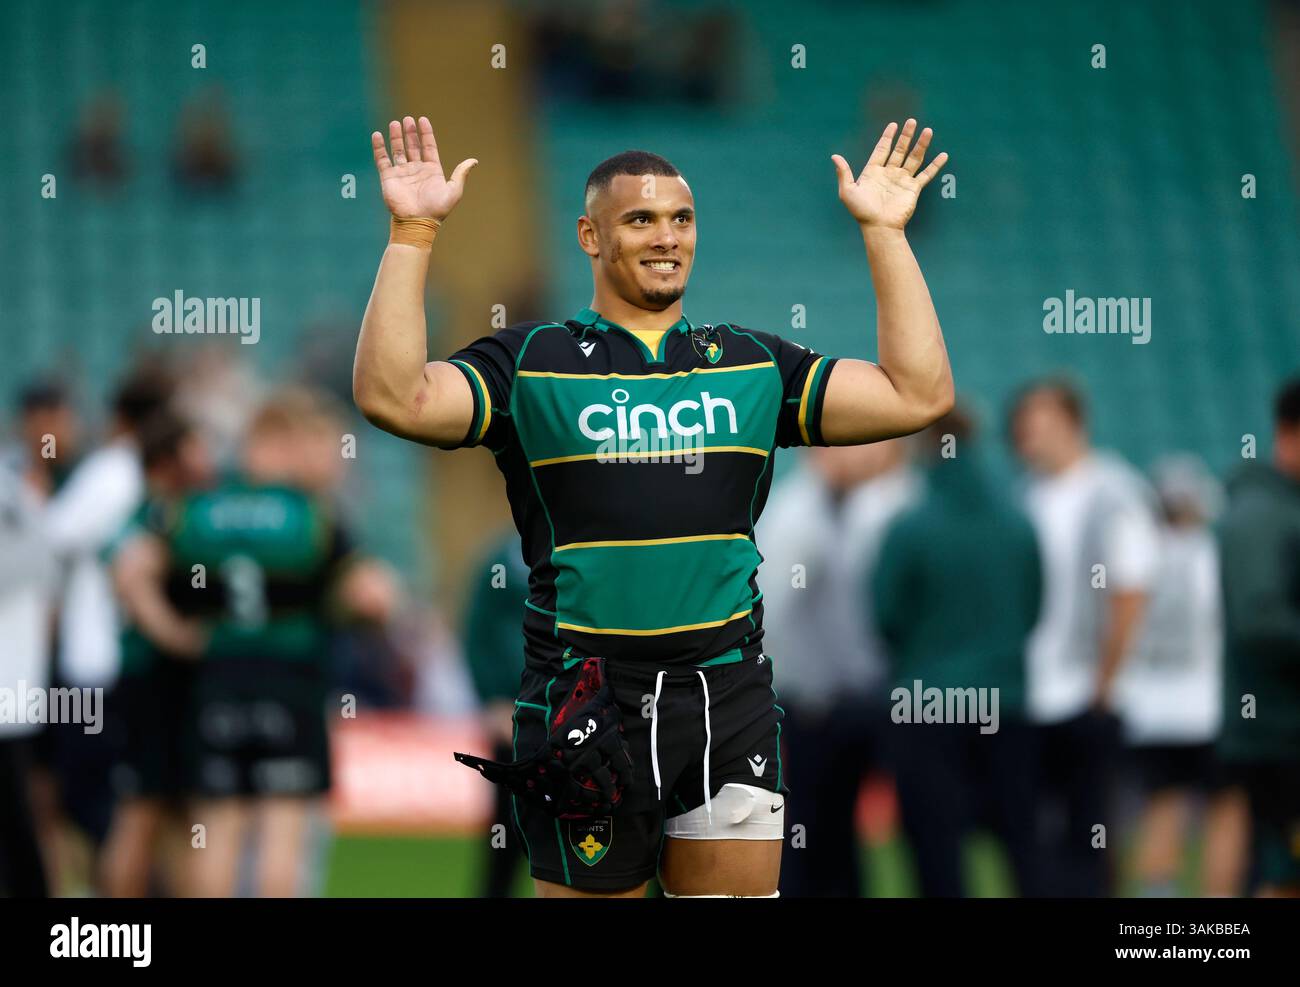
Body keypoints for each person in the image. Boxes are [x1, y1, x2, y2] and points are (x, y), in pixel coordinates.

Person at [353, 114, 954, 897]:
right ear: (590, 235)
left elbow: (918, 392)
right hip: (582, 697)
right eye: (640, 219)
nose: (666, 236)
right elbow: (392, 395)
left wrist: (885, 233)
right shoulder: (535, 361)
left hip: (726, 695)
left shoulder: (752, 363)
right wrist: (412, 231)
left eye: (681, 218)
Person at [113, 395, 389, 897]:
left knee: (218, 832)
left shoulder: (196, 508)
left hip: (217, 681)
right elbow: (374, 596)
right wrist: (342, 607)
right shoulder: (312, 515)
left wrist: (172, 631)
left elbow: (130, 569)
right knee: (281, 837)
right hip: (291, 682)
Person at [873, 406, 1045, 897]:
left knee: (936, 850)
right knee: (1021, 844)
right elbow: (1034, 610)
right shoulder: (1018, 521)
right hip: (1006, 700)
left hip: (927, 703)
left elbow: (886, 617)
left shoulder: (909, 526)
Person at [1008, 379, 1159, 897]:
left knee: (1091, 838)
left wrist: (1104, 680)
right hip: (1032, 692)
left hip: (1088, 693)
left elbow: (1130, 590)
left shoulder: (1114, 491)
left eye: (1040, 423)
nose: (1029, 437)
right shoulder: (1023, 495)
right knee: (1033, 839)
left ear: (1073, 423)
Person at [756, 441, 916, 896]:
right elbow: (773, 615)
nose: (869, 456)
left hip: (848, 702)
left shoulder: (848, 507)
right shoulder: (797, 514)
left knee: (837, 837)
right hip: (810, 705)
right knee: (808, 836)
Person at [1117, 455, 1246, 897]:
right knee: (1225, 811)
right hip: (1206, 707)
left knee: (1160, 808)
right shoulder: (1213, 554)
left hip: (1151, 709)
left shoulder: (1141, 553)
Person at [102, 412, 215, 897]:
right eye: (197, 445)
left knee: (177, 813)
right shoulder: (159, 513)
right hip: (154, 679)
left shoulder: (163, 510)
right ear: (172, 458)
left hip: (155, 678)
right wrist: (180, 638)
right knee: (143, 811)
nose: (208, 457)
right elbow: (130, 578)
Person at [1217, 378, 1300, 897]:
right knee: (1285, 875)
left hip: (1280, 728)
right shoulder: (1261, 514)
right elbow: (1259, 621)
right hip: (1278, 732)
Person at [462, 529, 531, 898]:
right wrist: (491, 698)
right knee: (507, 829)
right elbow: (477, 631)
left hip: (579, 715)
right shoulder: (503, 557)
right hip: (516, 718)